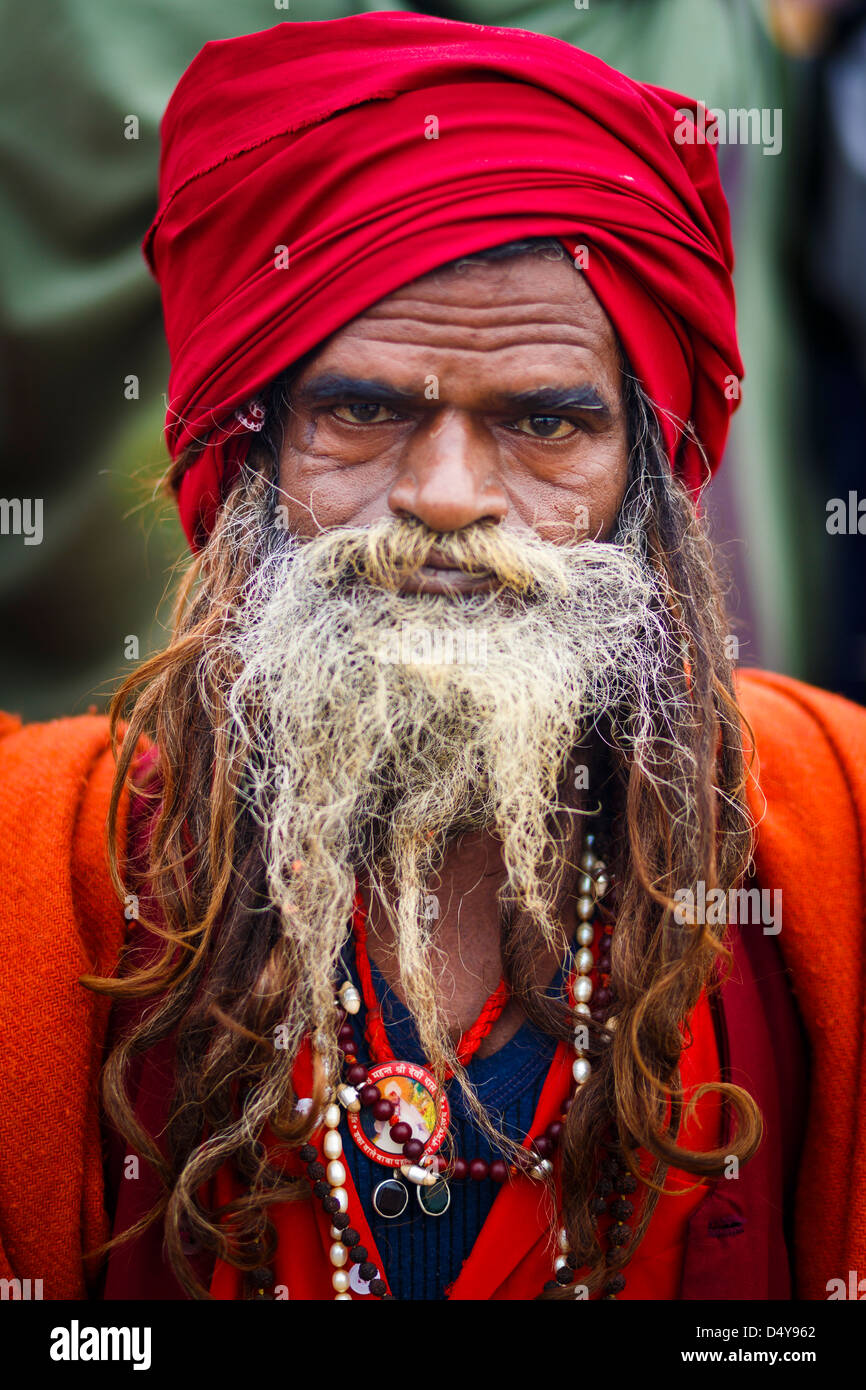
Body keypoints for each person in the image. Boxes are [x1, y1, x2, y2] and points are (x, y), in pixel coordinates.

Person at [1, 12, 864, 1304]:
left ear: (643, 478)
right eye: (361, 407)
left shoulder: (832, 839)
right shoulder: (38, 868)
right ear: (251, 455)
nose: (448, 494)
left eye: (542, 421)